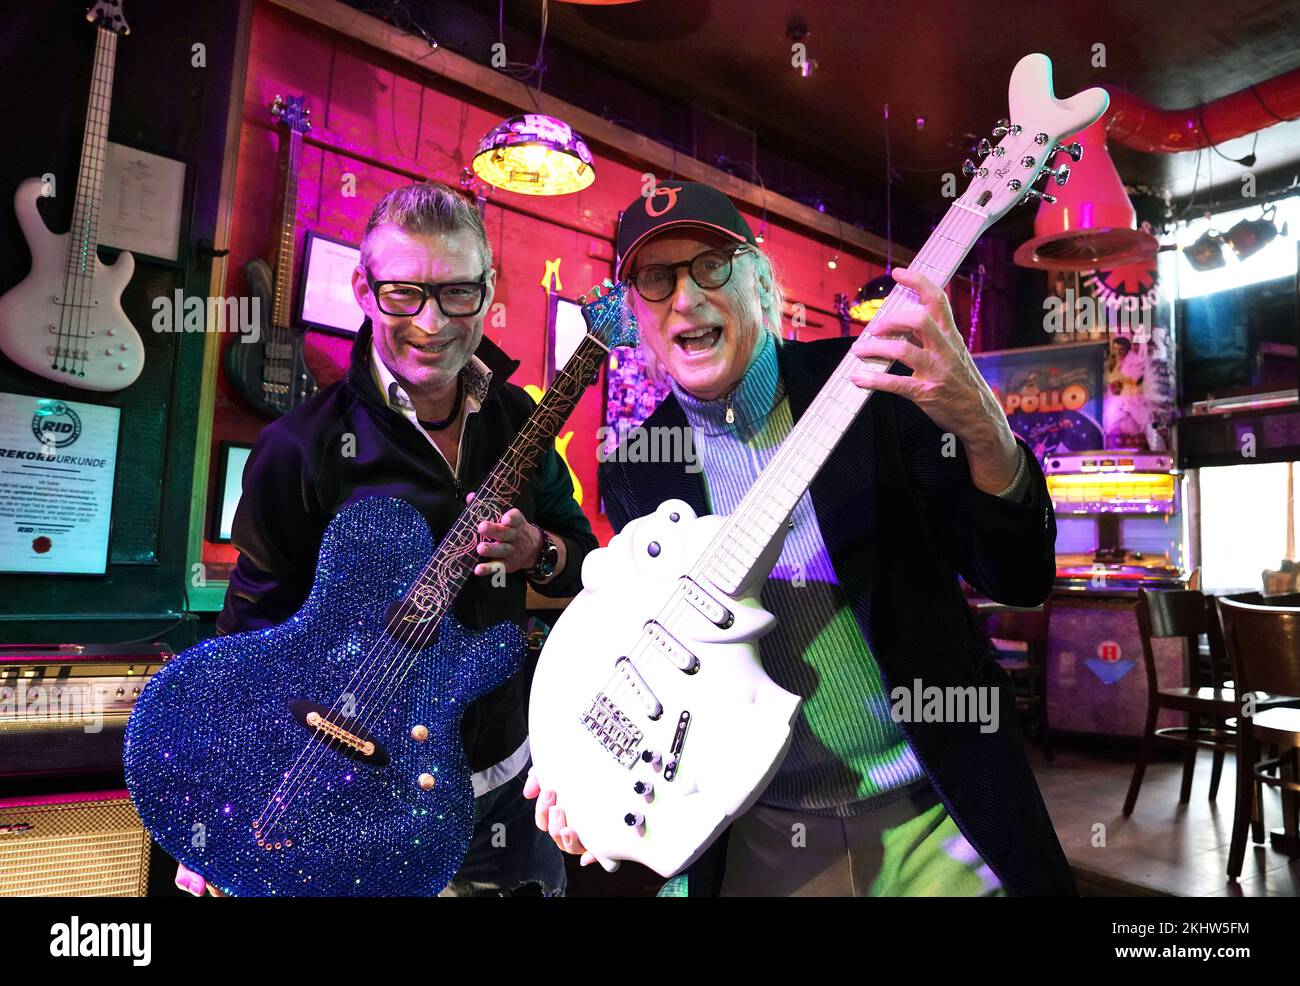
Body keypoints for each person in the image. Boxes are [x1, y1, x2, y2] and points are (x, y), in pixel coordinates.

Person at [526, 180, 1075, 897]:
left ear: (758, 277)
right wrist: (587, 776)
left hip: (934, 816)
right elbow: (660, 655)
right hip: (761, 835)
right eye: (656, 280)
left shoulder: (877, 389)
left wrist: (980, 423)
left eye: (711, 267)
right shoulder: (635, 466)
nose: (685, 299)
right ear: (635, 312)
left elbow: (1019, 575)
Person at [176, 180, 596, 897]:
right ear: (363, 290)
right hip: (367, 799)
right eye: (403, 293)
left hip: (506, 788)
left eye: (458, 293)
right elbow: (249, 636)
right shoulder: (301, 448)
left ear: (489, 290)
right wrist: (226, 802)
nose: (432, 323)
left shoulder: (516, 417)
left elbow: (586, 564)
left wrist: (539, 553)